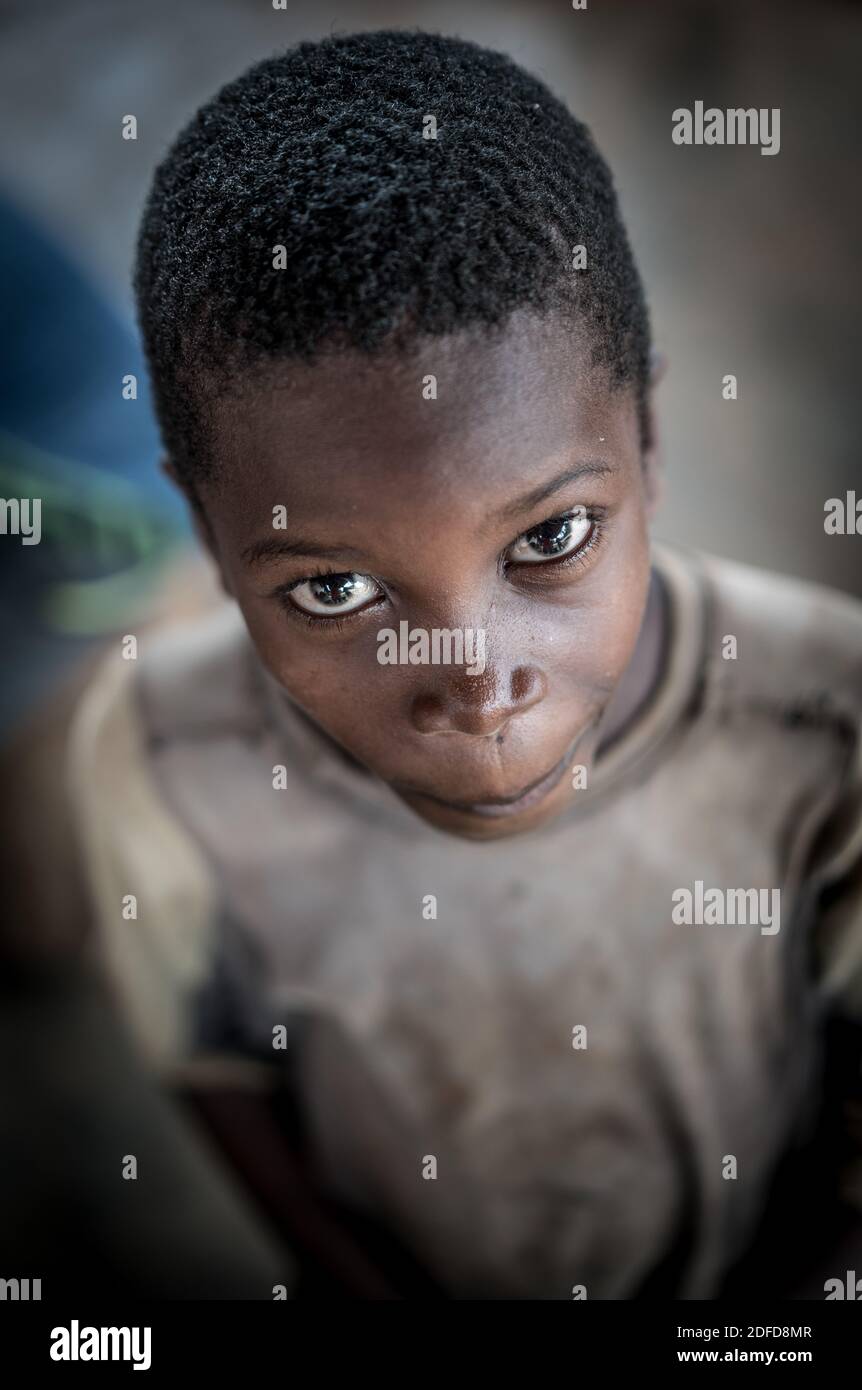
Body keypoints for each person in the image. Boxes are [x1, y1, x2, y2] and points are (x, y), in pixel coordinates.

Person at [66, 30, 862, 1299]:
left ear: (647, 441)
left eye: (548, 539)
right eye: (334, 589)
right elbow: (210, 1057)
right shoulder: (165, 752)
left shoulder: (824, 723)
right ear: (209, 537)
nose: (475, 683)